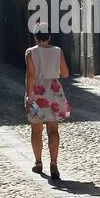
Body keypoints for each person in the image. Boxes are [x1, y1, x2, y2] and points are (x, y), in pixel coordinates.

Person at [24, 25, 70, 181]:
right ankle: (54, 163)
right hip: (54, 93)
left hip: (37, 94)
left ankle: (38, 163)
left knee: (36, 130)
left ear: (35, 37)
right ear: (49, 36)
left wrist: (29, 97)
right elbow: (65, 73)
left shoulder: (30, 52)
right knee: (53, 130)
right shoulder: (58, 51)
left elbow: (30, 76)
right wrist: (53, 71)